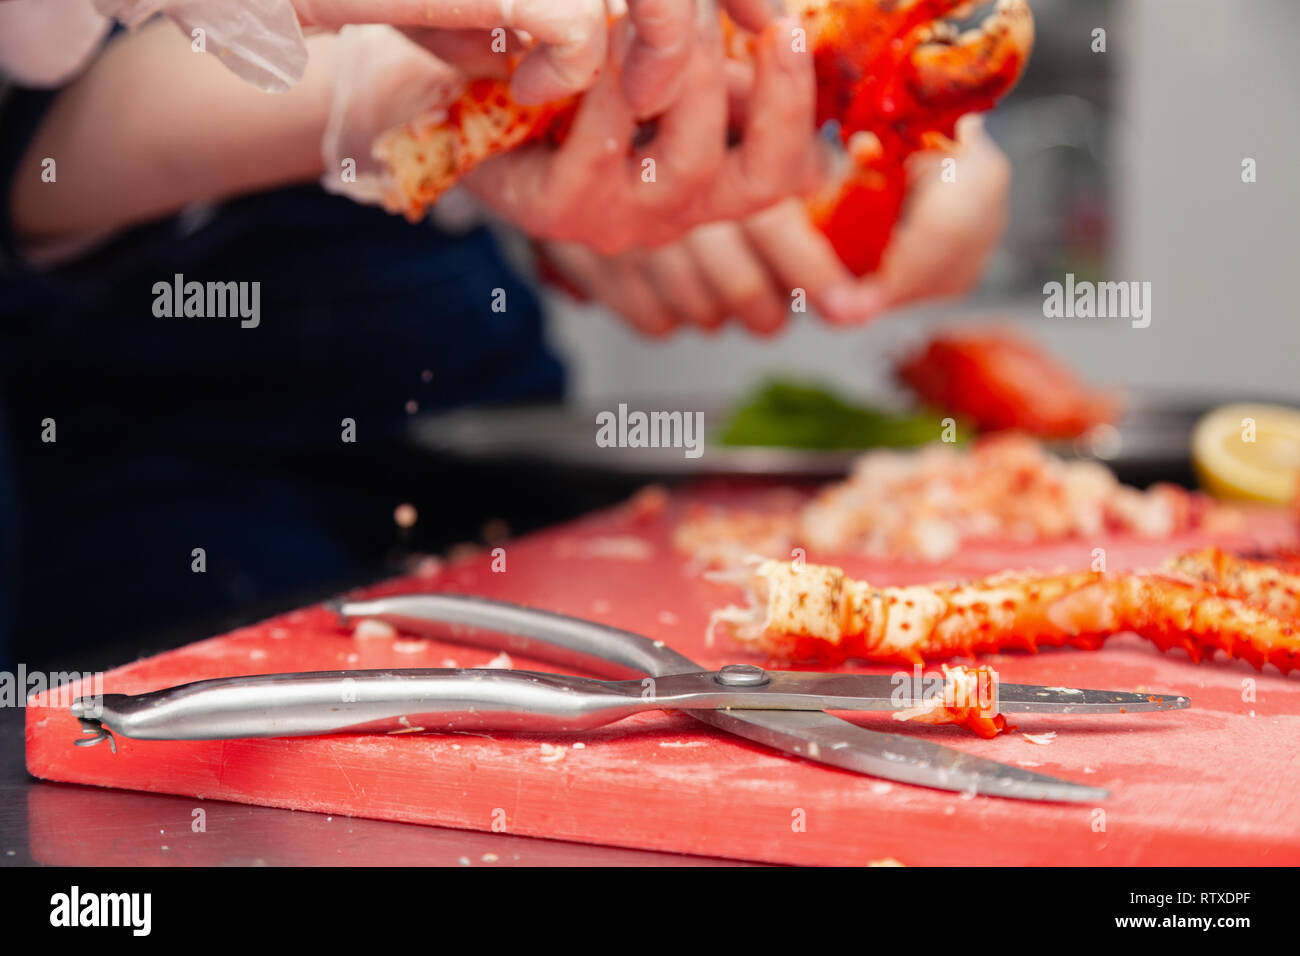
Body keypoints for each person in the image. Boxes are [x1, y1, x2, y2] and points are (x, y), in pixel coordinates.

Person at [0, 3, 1007, 666]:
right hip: (155, 460)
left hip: (481, 405)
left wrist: (891, 123)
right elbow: (39, 139)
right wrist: (373, 94)